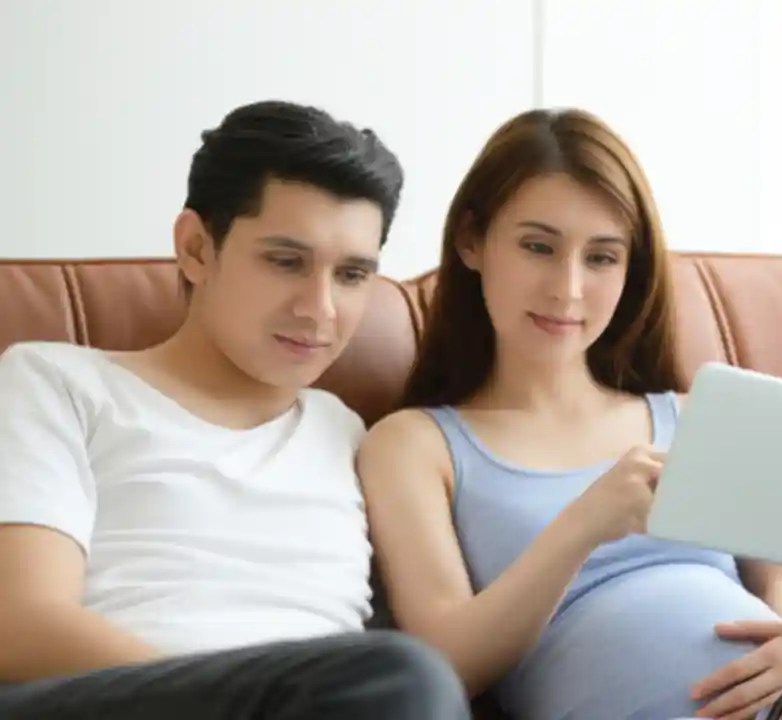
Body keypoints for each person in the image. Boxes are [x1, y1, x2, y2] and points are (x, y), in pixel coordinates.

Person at [357, 108, 782, 719]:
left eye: (602, 257)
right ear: (472, 240)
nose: (568, 288)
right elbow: (444, 667)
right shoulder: (415, 445)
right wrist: (584, 525)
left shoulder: (702, 416)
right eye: (538, 247)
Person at [0, 100, 469, 719]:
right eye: (286, 261)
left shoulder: (354, 436)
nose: (320, 309)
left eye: (352, 275)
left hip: (335, 702)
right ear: (196, 248)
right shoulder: (56, 383)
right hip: (107, 703)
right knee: (401, 676)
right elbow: (22, 623)